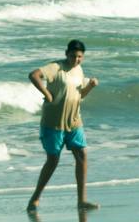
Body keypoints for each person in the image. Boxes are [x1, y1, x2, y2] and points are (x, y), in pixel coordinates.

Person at [27, 39, 98, 213]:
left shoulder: (79, 70)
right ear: (66, 53)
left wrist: (90, 86)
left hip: (74, 122)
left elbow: (80, 96)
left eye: (80, 56)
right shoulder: (55, 67)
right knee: (53, 161)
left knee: (82, 156)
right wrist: (46, 93)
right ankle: (35, 199)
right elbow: (33, 75)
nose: (76, 59)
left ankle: (82, 200)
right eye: (73, 56)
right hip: (53, 123)